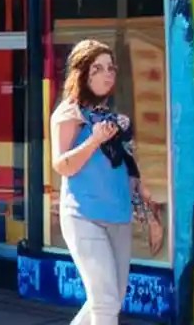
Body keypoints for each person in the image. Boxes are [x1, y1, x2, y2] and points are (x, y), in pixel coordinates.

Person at [51, 39, 155, 325]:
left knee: (110, 299)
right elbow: (62, 165)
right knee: (106, 302)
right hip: (85, 217)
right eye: (97, 68)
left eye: (110, 67)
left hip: (118, 216)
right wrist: (94, 140)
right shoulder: (69, 113)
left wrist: (144, 207)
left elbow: (126, 169)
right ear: (82, 73)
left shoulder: (113, 118)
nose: (107, 73)